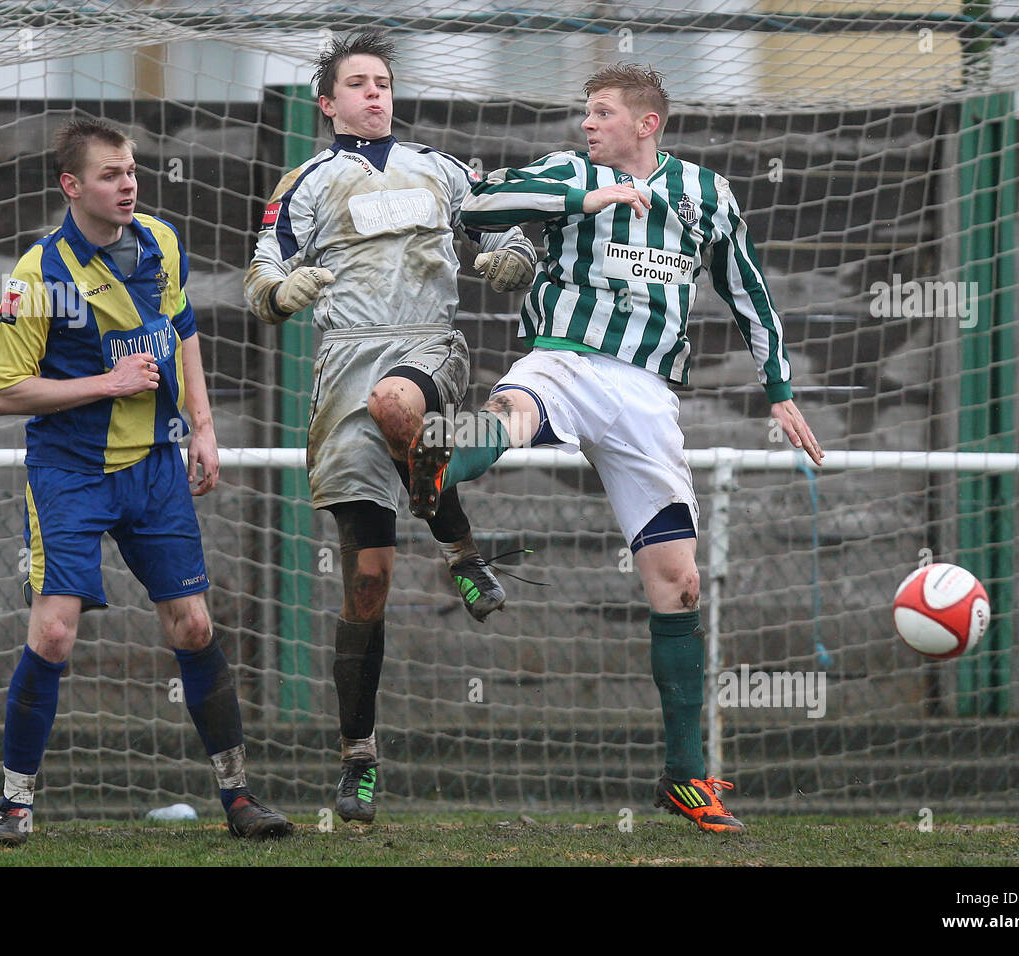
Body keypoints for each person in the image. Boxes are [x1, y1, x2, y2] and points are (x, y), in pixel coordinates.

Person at [409, 64, 825, 834]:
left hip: (646, 397)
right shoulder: (570, 172)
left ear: (647, 123)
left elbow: (749, 292)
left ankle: (684, 779)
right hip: (564, 357)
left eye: (601, 113)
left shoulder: (705, 196)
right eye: (585, 112)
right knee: (513, 411)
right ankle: (438, 459)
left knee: (679, 584)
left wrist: (780, 388)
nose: (587, 124)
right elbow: (476, 206)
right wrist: (581, 197)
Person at [244, 31, 536, 824]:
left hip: (427, 348)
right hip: (342, 370)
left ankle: (460, 549)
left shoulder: (441, 168)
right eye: (358, 84)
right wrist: (283, 290)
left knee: (401, 407)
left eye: (383, 82)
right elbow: (261, 275)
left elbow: (504, 225)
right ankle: (358, 758)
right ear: (327, 102)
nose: (375, 94)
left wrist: (512, 256)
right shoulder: (304, 181)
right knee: (367, 579)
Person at [0, 118, 292, 845]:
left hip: (155, 467)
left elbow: (183, 328)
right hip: (71, 472)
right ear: (72, 186)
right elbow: (2, 392)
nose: (128, 185)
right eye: (111, 175)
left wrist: (205, 428)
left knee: (194, 624)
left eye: (132, 172)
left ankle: (239, 796)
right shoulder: (36, 278)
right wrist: (107, 381)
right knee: (55, 632)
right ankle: (15, 803)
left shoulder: (159, 240)